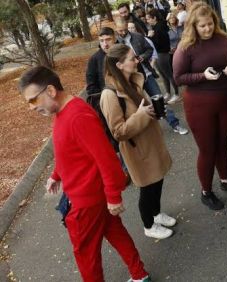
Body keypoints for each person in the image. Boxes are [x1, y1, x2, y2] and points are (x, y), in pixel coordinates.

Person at [19, 66, 151, 282]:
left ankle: (139, 274)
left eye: (33, 100)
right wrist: (56, 174)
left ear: (50, 91)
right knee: (116, 233)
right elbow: (69, 151)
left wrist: (114, 196)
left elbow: (106, 158)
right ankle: (140, 274)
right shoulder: (61, 112)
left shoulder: (77, 116)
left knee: (85, 254)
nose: (31, 108)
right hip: (93, 197)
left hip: (86, 203)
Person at [100, 43, 176, 240]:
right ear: (119, 65)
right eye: (132, 59)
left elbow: (143, 108)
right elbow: (118, 131)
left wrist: (155, 110)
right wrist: (142, 115)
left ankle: (156, 214)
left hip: (151, 142)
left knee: (157, 180)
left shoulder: (132, 81)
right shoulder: (109, 95)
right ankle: (148, 225)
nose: (136, 61)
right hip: (138, 150)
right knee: (147, 187)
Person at [173, 2, 227, 210]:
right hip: (199, 105)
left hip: (226, 100)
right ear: (194, 26)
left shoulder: (224, 39)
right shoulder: (186, 48)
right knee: (207, 148)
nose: (207, 29)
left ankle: (225, 180)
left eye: (210, 24)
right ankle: (206, 191)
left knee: (223, 143)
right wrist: (202, 76)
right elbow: (178, 78)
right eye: (202, 26)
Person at [115, 19, 188, 135]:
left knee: (158, 101)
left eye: (125, 30)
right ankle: (147, 129)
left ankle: (175, 124)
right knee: (137, 105)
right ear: (116, 29)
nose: (123, 32)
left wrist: (143, 57)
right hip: (130, 79)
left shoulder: (137, 37)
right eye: (120, 31)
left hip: (146, 75)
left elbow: (150, 49)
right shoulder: (116, 43)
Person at [146, 9, 180, 104]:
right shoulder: (156, 27)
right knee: (163, 75)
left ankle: (177, 94)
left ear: (154, 18)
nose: (147, 21)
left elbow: (160, 43)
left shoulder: (159, 27)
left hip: (162, 54)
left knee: (169, 74)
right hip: (158, 54)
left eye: (148, 19)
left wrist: (150, 37)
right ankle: (168, 93)